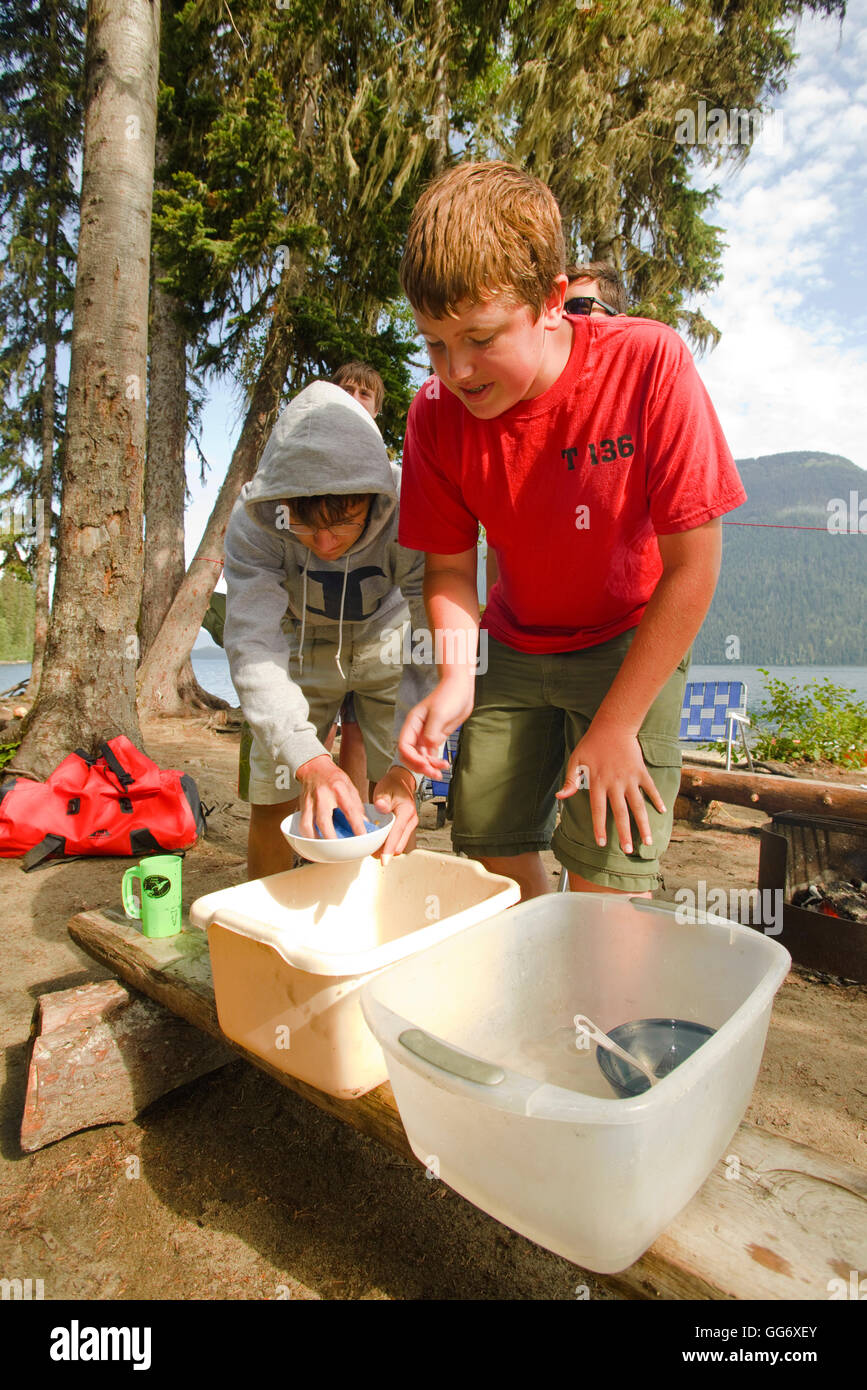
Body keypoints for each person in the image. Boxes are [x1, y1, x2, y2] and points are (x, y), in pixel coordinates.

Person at [396, 160, 746, 902]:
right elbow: (452, 571)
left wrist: (617, 725)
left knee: (605, 879)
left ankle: (597, 1010)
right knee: (488, 851)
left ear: (552, 302)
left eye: (480, 337)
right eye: (433, 343)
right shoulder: (433, 413)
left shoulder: (648, 362)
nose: (456, 369)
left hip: (629, 642)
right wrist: (456, 676)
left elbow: (694, 567)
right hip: (514, 642)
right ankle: (538, 1003)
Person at [223, 379, 425, 878]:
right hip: (297, 640)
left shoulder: (410, 505)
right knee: (275, 797)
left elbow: (437, 634)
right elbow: (252, 643)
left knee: (394, 799)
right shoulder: (255, 518)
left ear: (373, 500)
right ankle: (268, 931)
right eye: (307, 527)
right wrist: (307, 759)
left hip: (389, 637)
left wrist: (412, 764)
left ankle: (388, 925)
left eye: (346, 522)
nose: (327, 542)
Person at [485, 260, 628, 597]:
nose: (566, 322)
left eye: (580, 307)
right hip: (526, 633)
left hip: (629, 625)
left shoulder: (641, 403)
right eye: (559, 310)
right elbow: (500, 540)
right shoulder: (519, 412)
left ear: (620, 325)